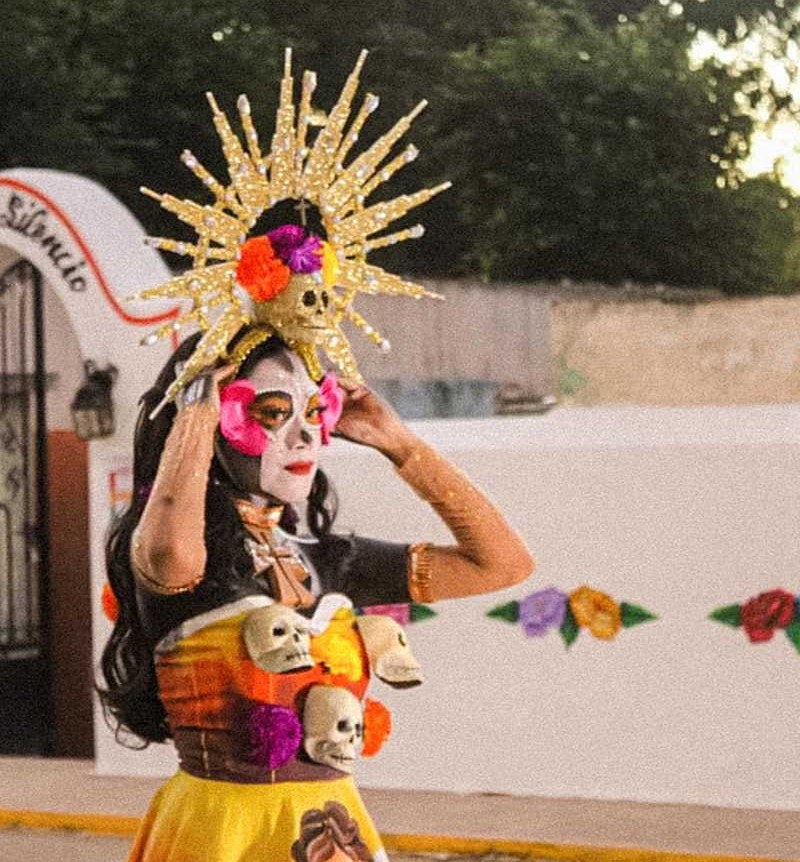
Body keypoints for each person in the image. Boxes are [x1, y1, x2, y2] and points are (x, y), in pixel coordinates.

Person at [99, 49, 535, 862]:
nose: (304, 433)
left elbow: (504, 564)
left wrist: (404, 448)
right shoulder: (176, 560)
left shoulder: (326, 557)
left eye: (316, 412)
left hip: (331, 833)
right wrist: (194, 404)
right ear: (215, 420)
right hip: (220, 833)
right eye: (270, 413)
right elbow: (166, 544)